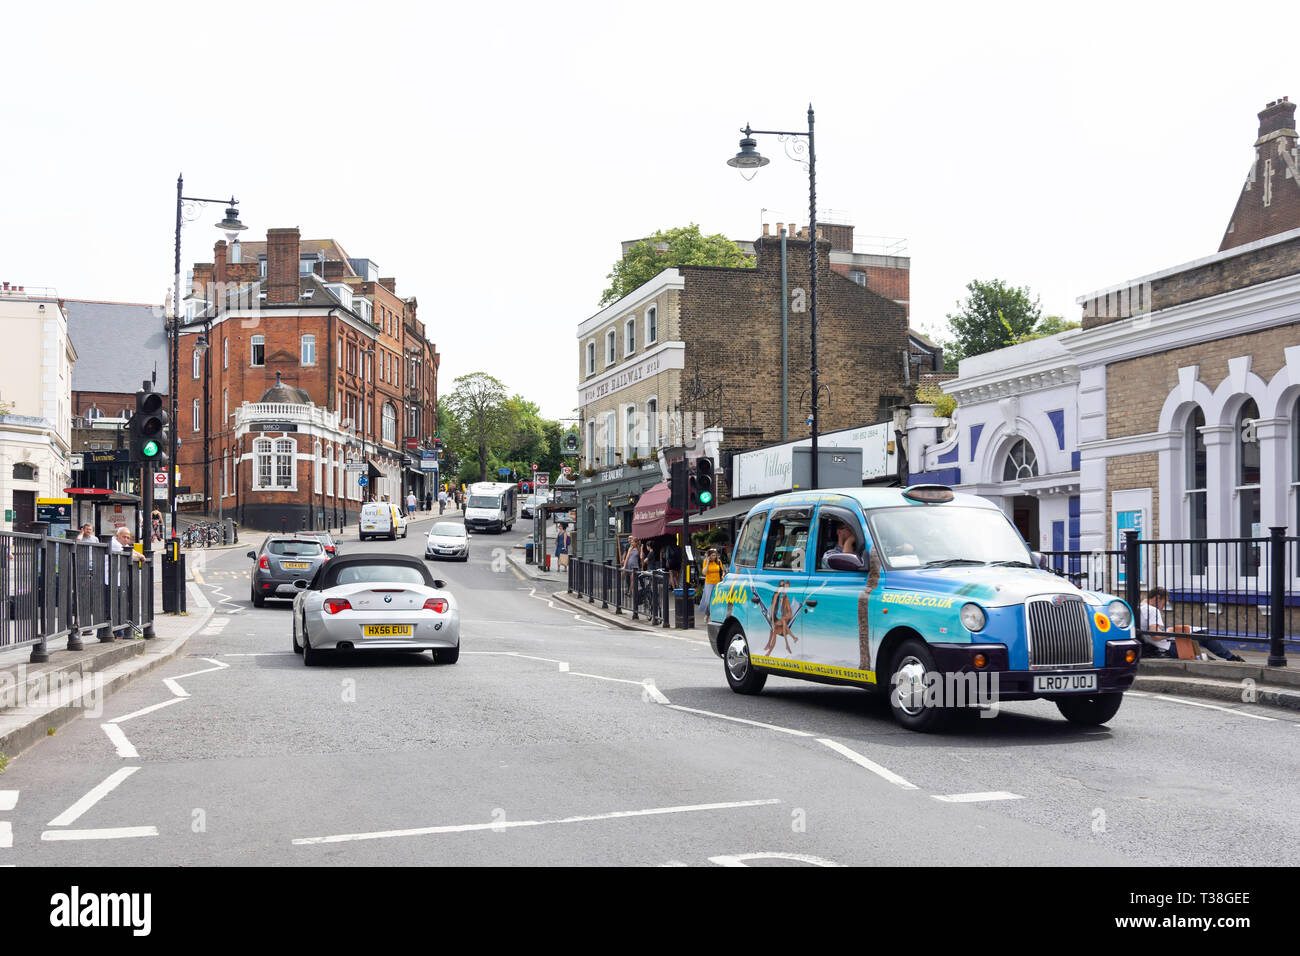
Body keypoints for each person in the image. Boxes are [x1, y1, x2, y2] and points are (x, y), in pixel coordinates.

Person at [1139, 586, 1246, 661]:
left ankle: (1226, 657)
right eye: (1164, 603)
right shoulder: (1152, 610)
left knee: (1198, 637)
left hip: (1161, 647)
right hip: (1168, 648)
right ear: (1157, 598)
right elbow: (1155, 635)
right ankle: (1231, 658)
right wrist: (1170, 631)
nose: (1163, 607)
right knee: (1203, 634)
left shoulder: (1140, 607)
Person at [698, 548, 725, 613]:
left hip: (717, 583)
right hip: (709, 583)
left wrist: (723, 575)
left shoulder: (718, 561)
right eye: (712, 555)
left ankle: (713, 614)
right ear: (709, 556)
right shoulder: (705, 561)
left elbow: (723, 571)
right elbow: (704, 573)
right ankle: (707, 613)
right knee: (707, 601)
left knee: (716, 600)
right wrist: (707, 563)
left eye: (715, 555)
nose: (714, 557)